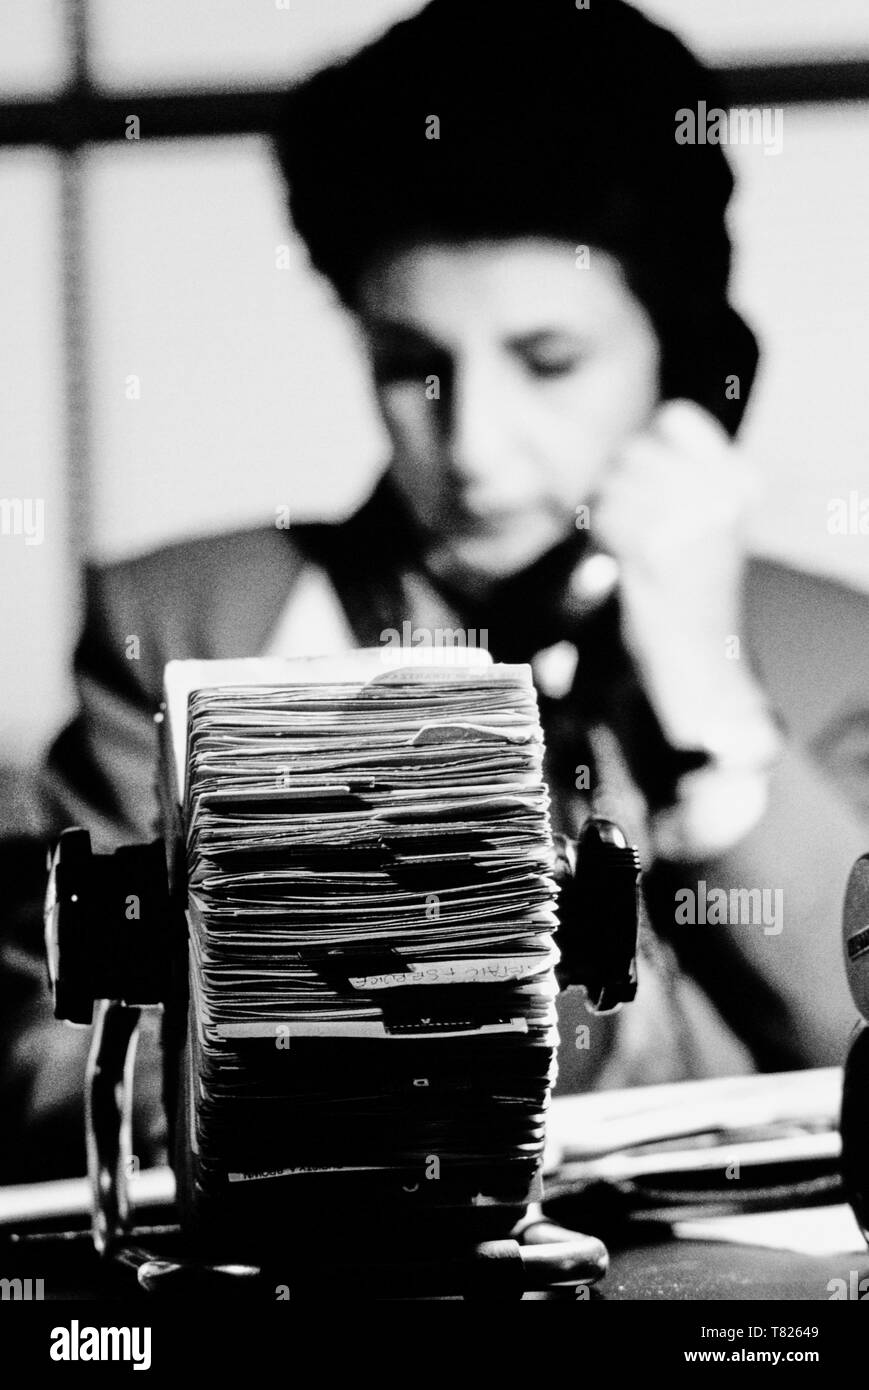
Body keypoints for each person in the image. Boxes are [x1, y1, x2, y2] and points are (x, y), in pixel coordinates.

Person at [4, 0, 869, 1181]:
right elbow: (56, 1075)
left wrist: (711, 719)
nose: (471, 446)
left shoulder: (831, 653)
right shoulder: (188, 625)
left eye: (548, 363)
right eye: (412, 367)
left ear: (681, 365)